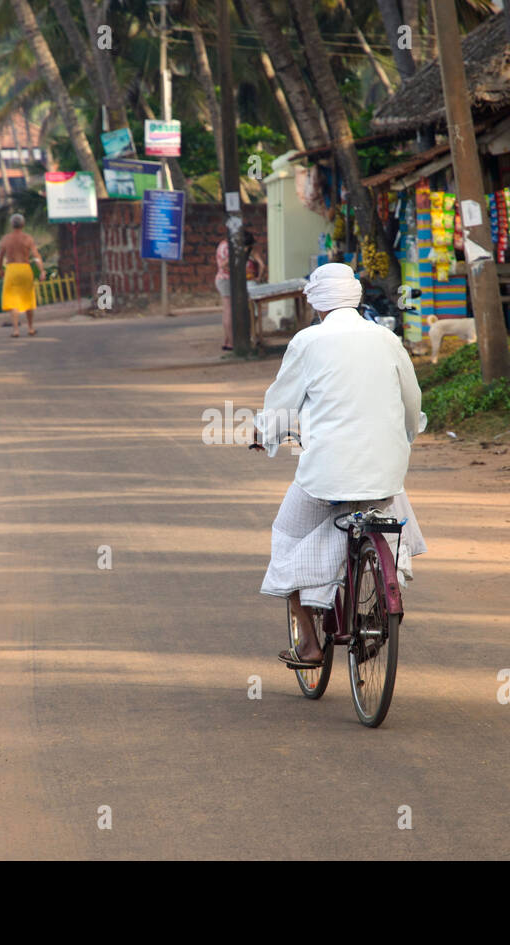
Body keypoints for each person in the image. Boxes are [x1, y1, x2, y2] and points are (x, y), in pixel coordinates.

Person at [251, 262, 427, 668]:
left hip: (326, 478)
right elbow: (411, 401)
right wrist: (406, 436)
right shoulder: (386, 339)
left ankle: (310, 643)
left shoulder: (307, 342)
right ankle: (381, 599)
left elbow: (280, 406)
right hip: (385, 475)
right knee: (381, 509)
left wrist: (267, 437)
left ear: (316, 301)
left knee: (286, 537)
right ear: (356, 296)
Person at [215, 235, 266, 351]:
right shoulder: (232, 249)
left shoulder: (224, 246)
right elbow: (223, 265)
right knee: (231, 311)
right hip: (230, 281)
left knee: (231, 310)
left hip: (233, 281)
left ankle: (229, 341)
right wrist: (245, 273)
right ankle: (234, 342)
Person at [0, 213, 45, 338]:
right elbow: (36, 256)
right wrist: (42, 271)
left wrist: (0, 270)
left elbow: (0, 256)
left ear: (11, 225)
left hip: (12, 269)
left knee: (13, 301)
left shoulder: (6, 239)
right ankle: (30, 328)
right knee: (28, 298)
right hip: (25, 268)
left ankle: (16, 330)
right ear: (23, 224)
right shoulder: (28, 239)